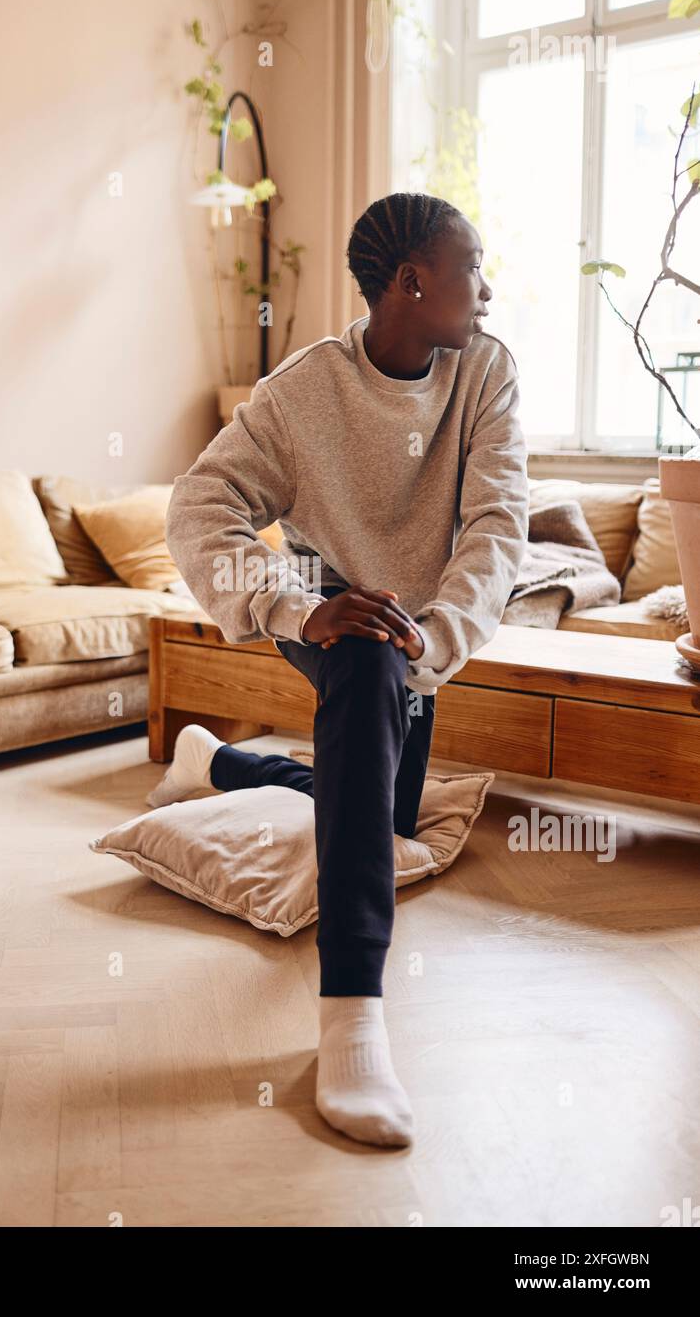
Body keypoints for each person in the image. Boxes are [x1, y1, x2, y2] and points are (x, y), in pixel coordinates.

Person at [152, 192, 529, 1149]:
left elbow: (497, 526)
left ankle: (218, 763)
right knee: (360, 662)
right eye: (472, 267)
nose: (488, 288)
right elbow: (198, 506)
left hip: (420, 631)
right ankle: (352, 1010)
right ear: (411, 282)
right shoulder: (303, 392)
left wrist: (433, 640)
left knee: (383, 819)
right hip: (327, 611)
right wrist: (294, 606)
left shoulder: (485, 371)